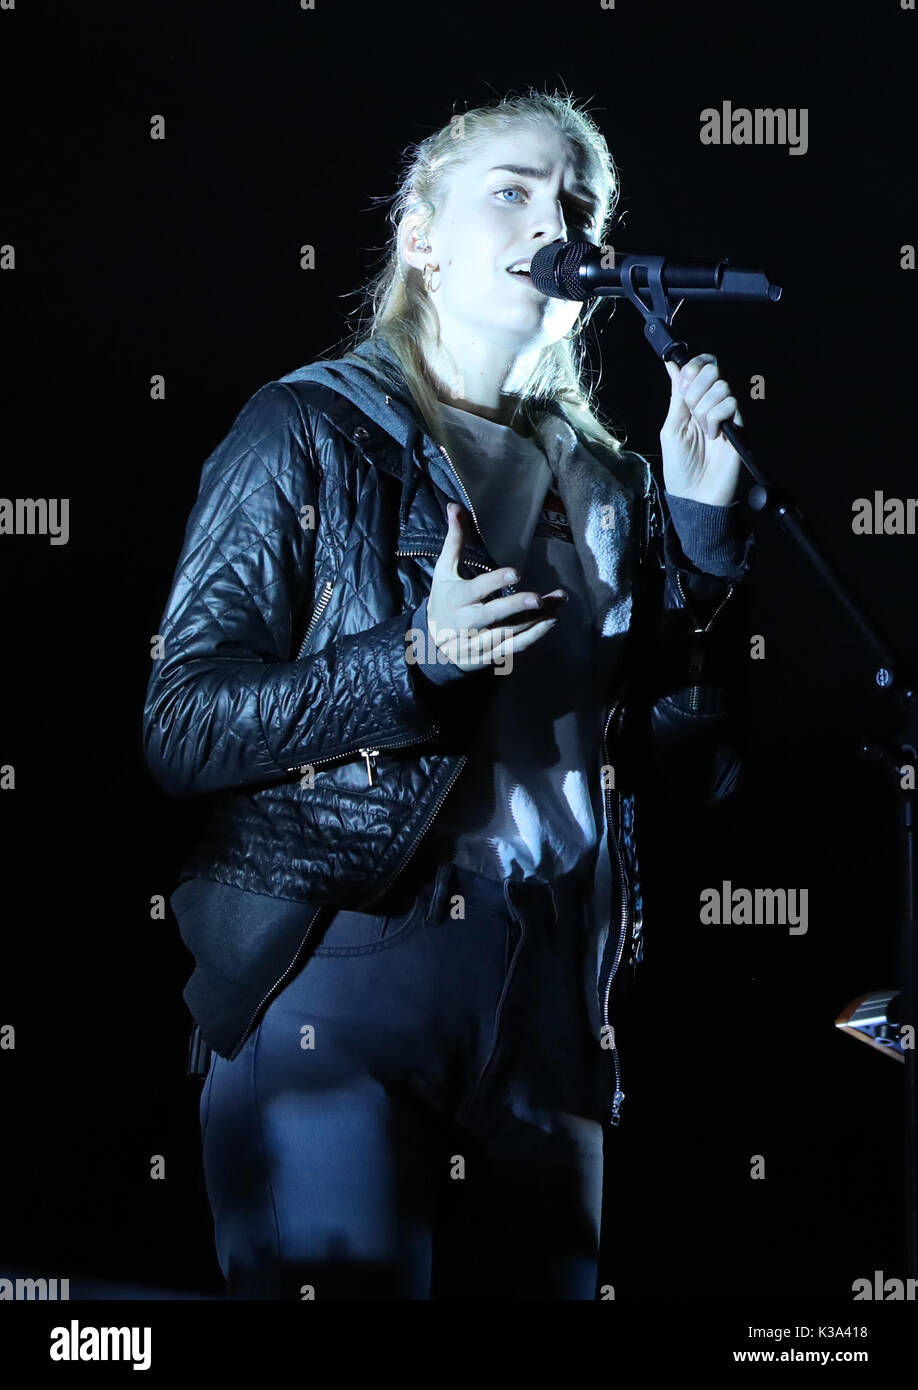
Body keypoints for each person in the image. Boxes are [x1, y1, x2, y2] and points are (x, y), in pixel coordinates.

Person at [142, 89, 755, 1300]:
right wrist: (411, 663)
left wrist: (706, 549)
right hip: (352, 953)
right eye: (513, 192)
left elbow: (692, 769)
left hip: (555, 993)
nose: (555, 220)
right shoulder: (311, 428)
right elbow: (183, 722)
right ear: (420, 236)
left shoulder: (612, 482)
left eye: (581, 202)